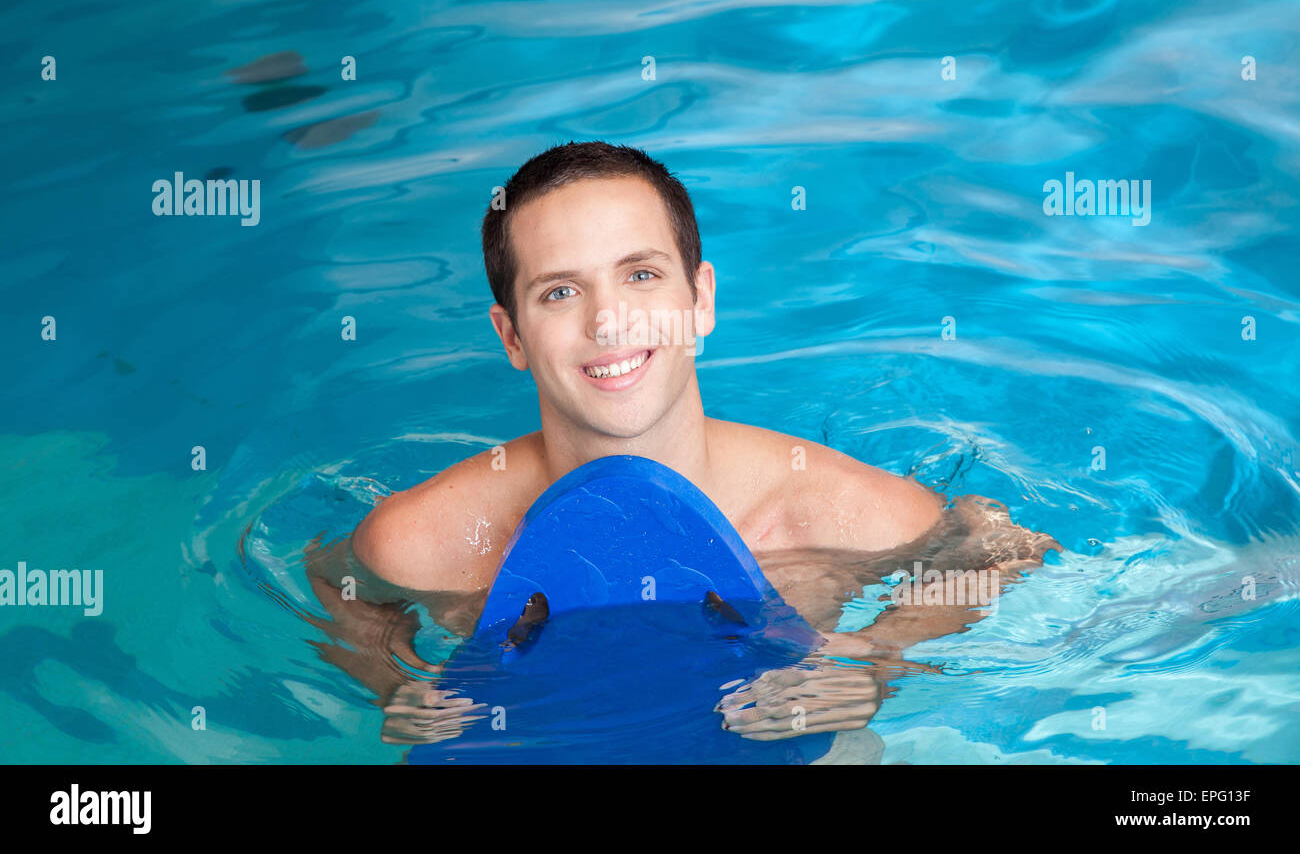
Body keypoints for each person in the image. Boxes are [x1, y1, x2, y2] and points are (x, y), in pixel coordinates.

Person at [306, 141, 1060, 750]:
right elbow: (336, 581)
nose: (610, 322)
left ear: (699, 301)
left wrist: (879, 660)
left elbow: (998, 549)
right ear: (511, 337)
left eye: (640, 275)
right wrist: (390, 683)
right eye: (560, 292)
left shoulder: (833, 507)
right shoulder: (424, 540)